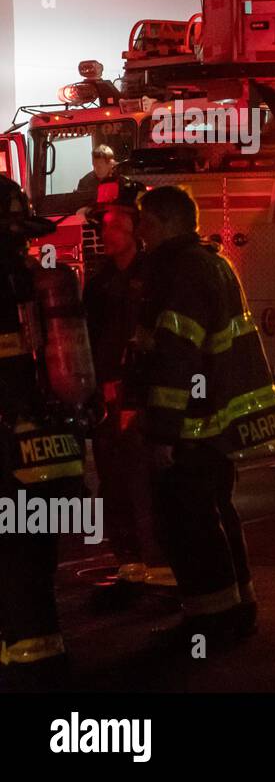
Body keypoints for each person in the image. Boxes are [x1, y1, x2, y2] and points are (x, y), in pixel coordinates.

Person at [132, 185, 275, 645]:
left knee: (190, 524)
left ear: (163, 223)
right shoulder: (212, 263)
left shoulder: (179, 272)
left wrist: (162, 433)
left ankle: (210, 620)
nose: (141, 231)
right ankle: (237, 608)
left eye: (144, 221)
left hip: (191, 426)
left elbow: (176, 358)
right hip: (214, 425)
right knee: (217, 512)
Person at [0, 179, 88, 689]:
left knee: (12, 557)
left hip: (7, 450)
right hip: (51, 447)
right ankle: (40, 657)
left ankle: (30, 664)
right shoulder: (40, 280)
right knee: (33, 554)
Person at [83, 178, 171, 586]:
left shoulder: (153, 276)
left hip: (140, 393)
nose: (106, 234)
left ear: (135, 231)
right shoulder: (98, 282)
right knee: (112, 476)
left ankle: (158, 558)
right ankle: (127, 557)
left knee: (144, 476)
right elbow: (89, 335)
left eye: (115, 227)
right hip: (105, 392)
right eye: (104, 228)